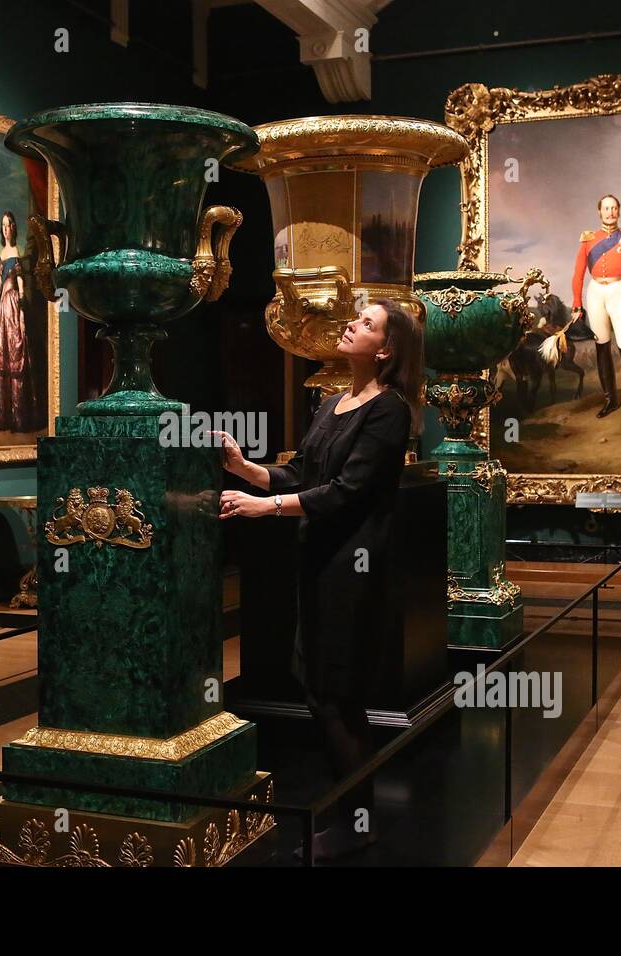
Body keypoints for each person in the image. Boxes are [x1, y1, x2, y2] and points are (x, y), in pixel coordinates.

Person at [214, 299, 422, 862]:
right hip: (320, 563)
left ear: (386, 349)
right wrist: (247, 471)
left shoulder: (389, 411)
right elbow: (306, 473)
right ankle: (351, 815)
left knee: (337, 698)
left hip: (353, 569)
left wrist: (262, 508)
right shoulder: (333, 402)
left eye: (367, 323)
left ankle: (357, 822)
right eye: (356, 318)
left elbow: (346, 493)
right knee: (323, 693)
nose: (352, 324)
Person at [571, 194, 621, 427]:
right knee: (602, 347)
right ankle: (611, 400)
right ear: (599, 212)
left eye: (614, 208)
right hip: (595, 293)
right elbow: (578, 273)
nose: (610, 212)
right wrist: (577, 304)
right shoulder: (588, 239)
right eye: (606, 208)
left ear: (619, 211)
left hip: (620, 291)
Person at [0, 211, 36, 431]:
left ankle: (18, 417)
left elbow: (20, 282)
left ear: (14, 228)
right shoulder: (2, 252)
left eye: (8, 225)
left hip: (14, 307)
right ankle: (3, 415)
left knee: (16, 353)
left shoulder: (15, 251)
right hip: (2, 309)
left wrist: (23, 312)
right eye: (3, 225)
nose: (6, 229)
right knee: (2, 355)